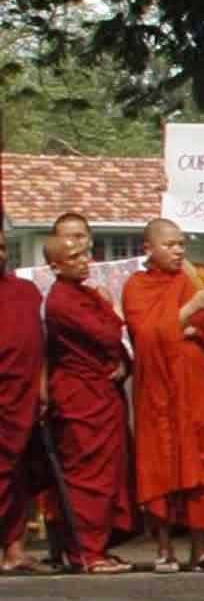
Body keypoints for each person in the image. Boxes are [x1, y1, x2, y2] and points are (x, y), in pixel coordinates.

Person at [125, 218, 204, 572]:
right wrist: (187, 313)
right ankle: (164, 550)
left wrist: (198, 330)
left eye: (181, 245)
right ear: (148, 249)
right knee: (161, 464)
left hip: (195, 386)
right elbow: (145, 335)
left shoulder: (191, 280)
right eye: (169, 245)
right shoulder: (137, 286)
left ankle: (201, 549)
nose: (177, 251)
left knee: (203, 463)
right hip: (159, 390)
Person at [41, 235, 135, 574]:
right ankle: (86, 552)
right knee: (85, 476)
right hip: (79, 396)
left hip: (101, 393)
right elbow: (108, 333)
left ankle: (98, 547)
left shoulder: (84, 294)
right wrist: (110, 308)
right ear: (55, 267)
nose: (84, 261)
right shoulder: (61, 301)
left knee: (108, 473)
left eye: (85, 254)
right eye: (74, 257)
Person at [0, 203, 44, 575]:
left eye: (2, 246)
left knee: (18, 477)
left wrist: (41, 384)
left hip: (21, 401)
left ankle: (14, 551)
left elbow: (39, 343)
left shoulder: (26, 292)